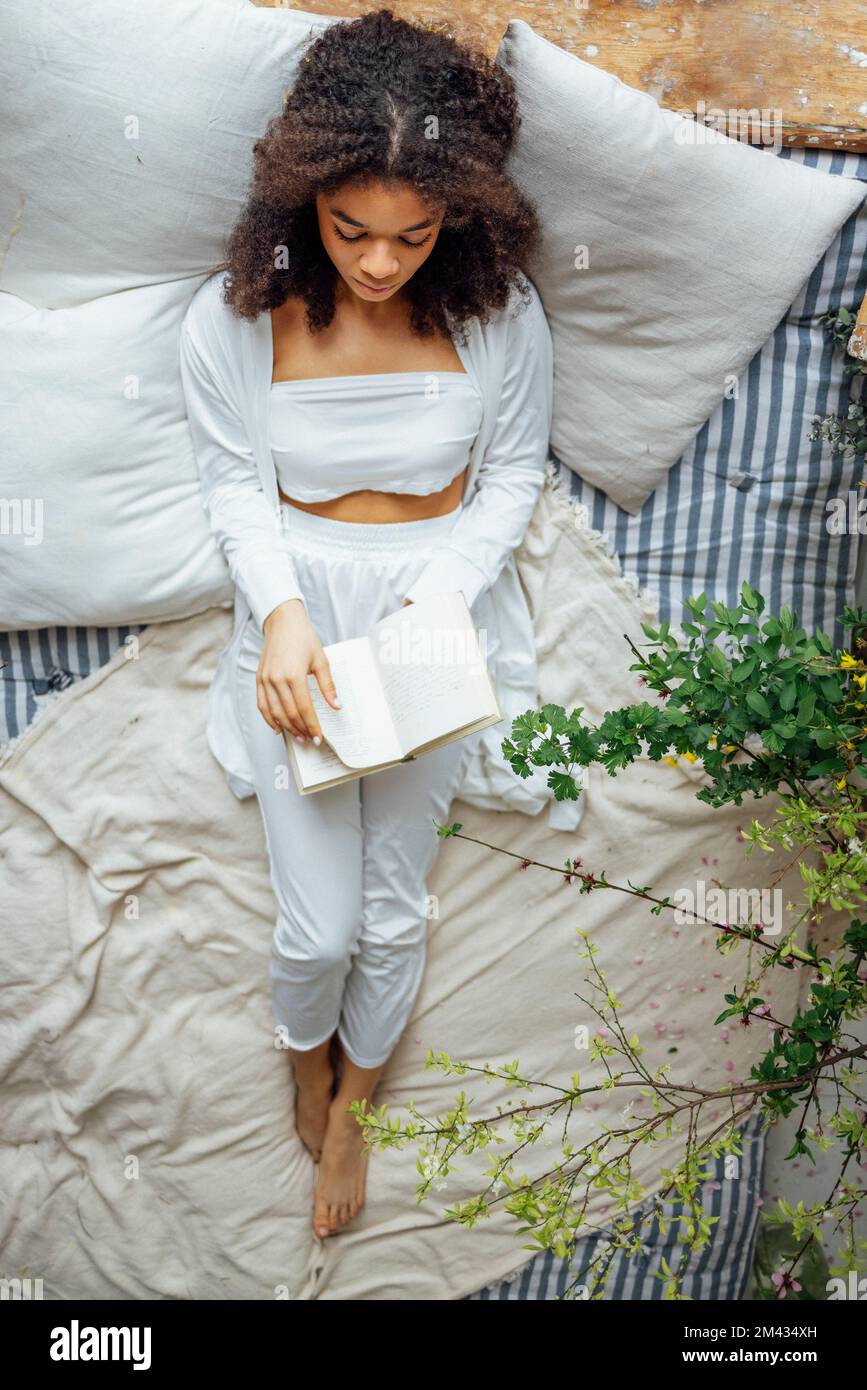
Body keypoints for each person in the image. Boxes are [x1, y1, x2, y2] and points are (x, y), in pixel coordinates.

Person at [178, 7, 567, 1243]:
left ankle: (357, 1095)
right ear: (305, 200)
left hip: (432, 601)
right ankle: (306, 1046)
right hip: (299, 605)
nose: (383, 264)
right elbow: (236, 484)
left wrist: (442, 598)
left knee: (395, 907)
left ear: (460, 210)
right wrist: (282, 616)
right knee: (319, 922)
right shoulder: (239, 317)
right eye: (352, 232)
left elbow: (512, 476)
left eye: (415, 233)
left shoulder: (494, 316)